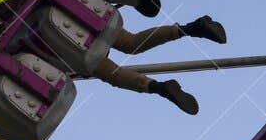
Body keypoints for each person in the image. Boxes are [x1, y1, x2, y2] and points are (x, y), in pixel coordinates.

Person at [94, 15, 226, 115]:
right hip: (90, 13)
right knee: (132, 43)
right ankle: (191, 28)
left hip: (75, 49)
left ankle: (159, 88)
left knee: (110, 73)